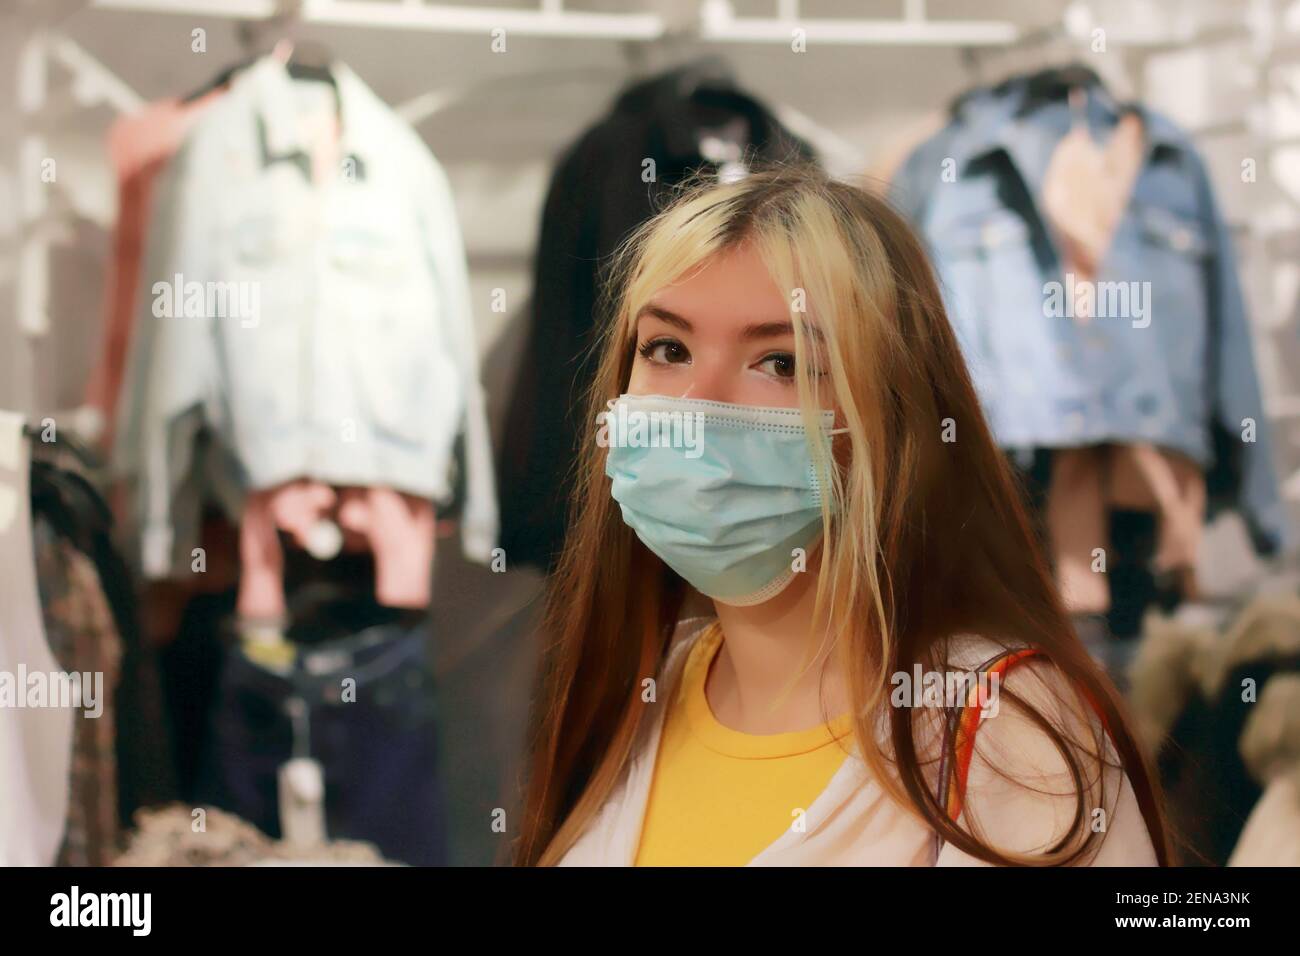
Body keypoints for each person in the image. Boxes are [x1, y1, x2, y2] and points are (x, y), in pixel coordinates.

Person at [514, 164, 1169, 866]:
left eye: (783, 362)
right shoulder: (642, 689)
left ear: (893, 414)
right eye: (667, 349)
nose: (697, 405)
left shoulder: (1003, 732)